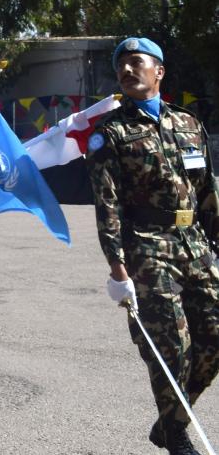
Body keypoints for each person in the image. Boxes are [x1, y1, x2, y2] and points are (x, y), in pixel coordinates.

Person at [90, 37, 219, 455]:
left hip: (194, 242)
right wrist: (118, 270)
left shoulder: (188, 124)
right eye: (121, 65)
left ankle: (170, 423)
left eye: (136, 63)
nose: (127, 71)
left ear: (158, 71)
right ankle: (178, 438)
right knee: (171, 347)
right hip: (146, 246)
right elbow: (106, 205)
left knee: (215, 338)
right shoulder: (110, 134)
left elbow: (208, 194)